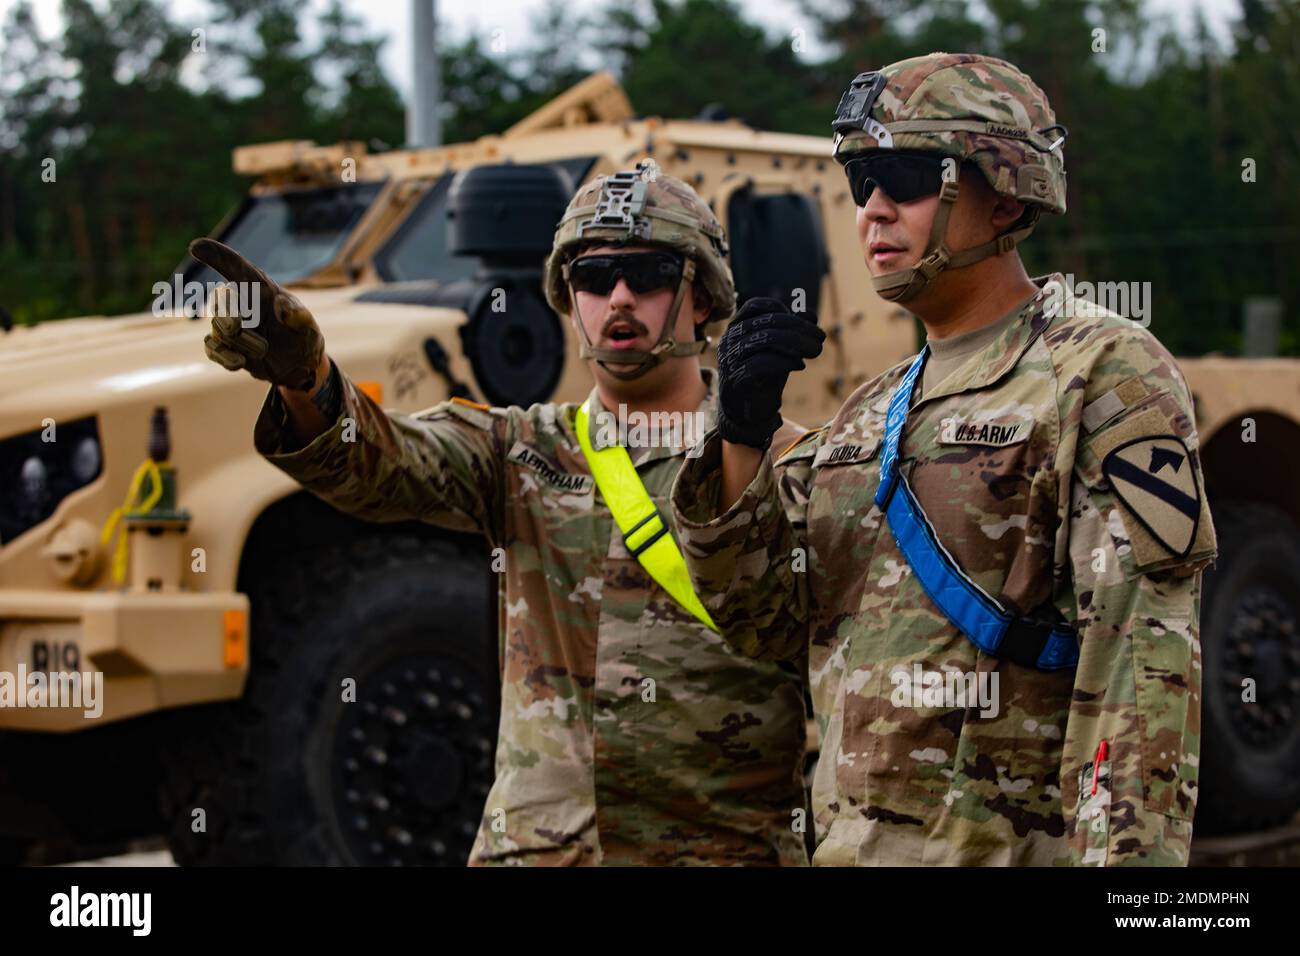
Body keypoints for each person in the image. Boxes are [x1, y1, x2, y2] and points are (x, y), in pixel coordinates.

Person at [671, 53, 1217, 866]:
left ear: (1003, 193)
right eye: (861, 184)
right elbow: (762, 624)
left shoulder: (1099, 372)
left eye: (905, 177)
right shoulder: (869, 410)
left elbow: (1142, 662)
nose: (873, 211)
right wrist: (740, 438)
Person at [193, 160, 811, 866]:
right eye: (592, 276)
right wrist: (306, 381)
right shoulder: (518, 451)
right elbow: (379, 464)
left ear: (702, 298)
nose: (617, 298)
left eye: (647, 275)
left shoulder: (785, 462)